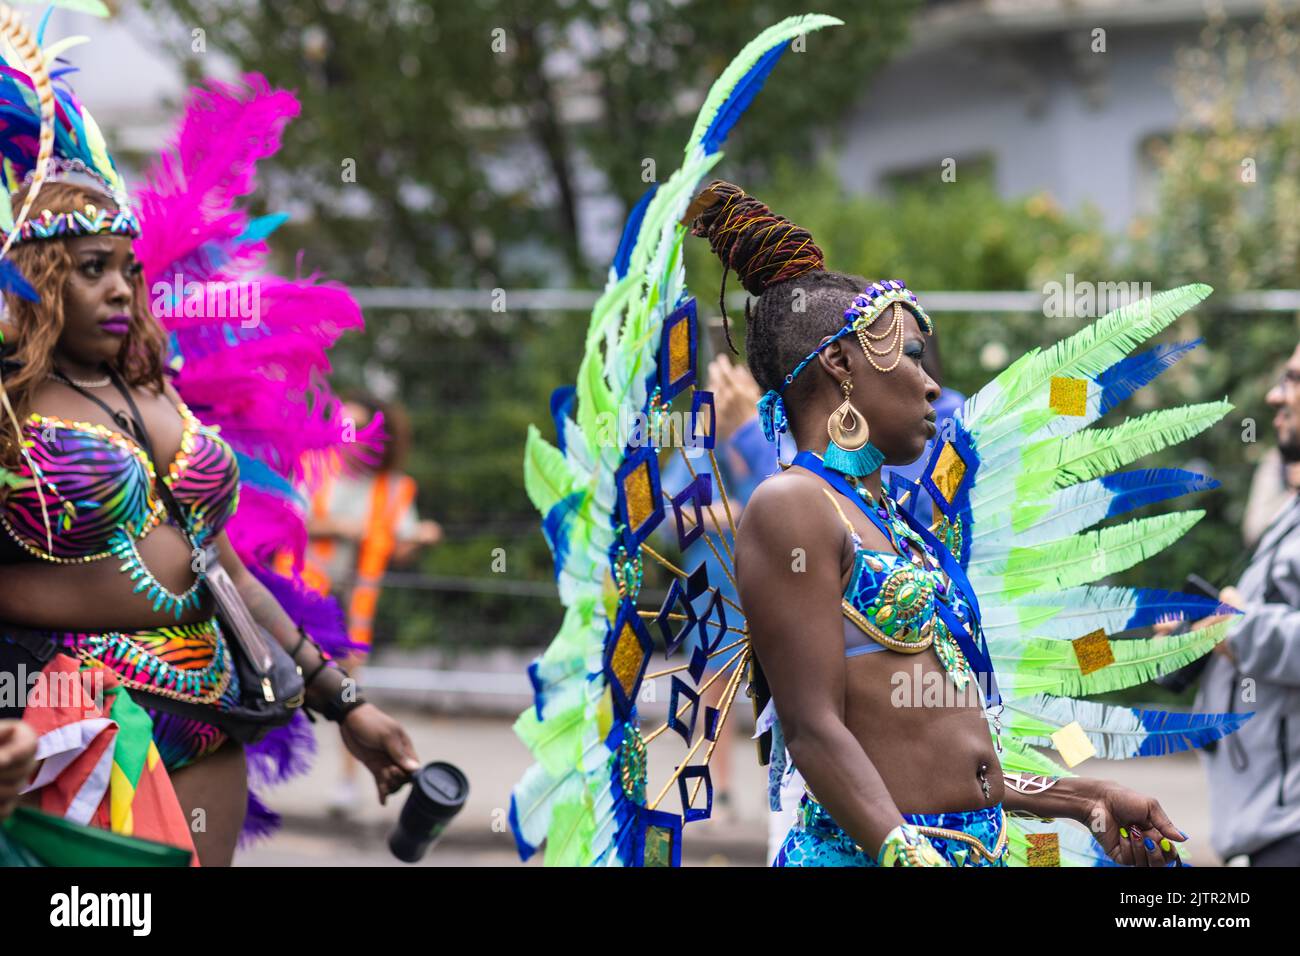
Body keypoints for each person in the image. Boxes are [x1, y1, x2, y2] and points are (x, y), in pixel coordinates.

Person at [0, 41, 419, 865]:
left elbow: (220, 563)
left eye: (128, 268)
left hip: (206, 716)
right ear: (40, 282)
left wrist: (345, 701)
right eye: (92, 270)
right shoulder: (8, 411)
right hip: (62, 726)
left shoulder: (152, 392)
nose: (123, 288)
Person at [692, 181, 1191, 867]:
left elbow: (951, 764)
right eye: (910, 355)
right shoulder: (793, 506)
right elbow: (812, 730)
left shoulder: (906, 530)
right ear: (839, 363)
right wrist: (905, 854)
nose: (931, 384)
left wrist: (1085, 799)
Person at [297, 395, 441, 813]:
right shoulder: (311, 468)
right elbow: (286, 517)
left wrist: (418, 536)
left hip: (351, 612)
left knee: (346, 696)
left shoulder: (394, 488)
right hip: (297, 605)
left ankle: (347, 782)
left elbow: (400, 547)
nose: (348, 436)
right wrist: (339, 527)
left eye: (357, 427)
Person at [1186, 345, 1300, 866]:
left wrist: (1237, 628)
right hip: (1264, 827)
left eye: (1294, 381)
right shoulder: (1289, 509)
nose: (1276, 395)